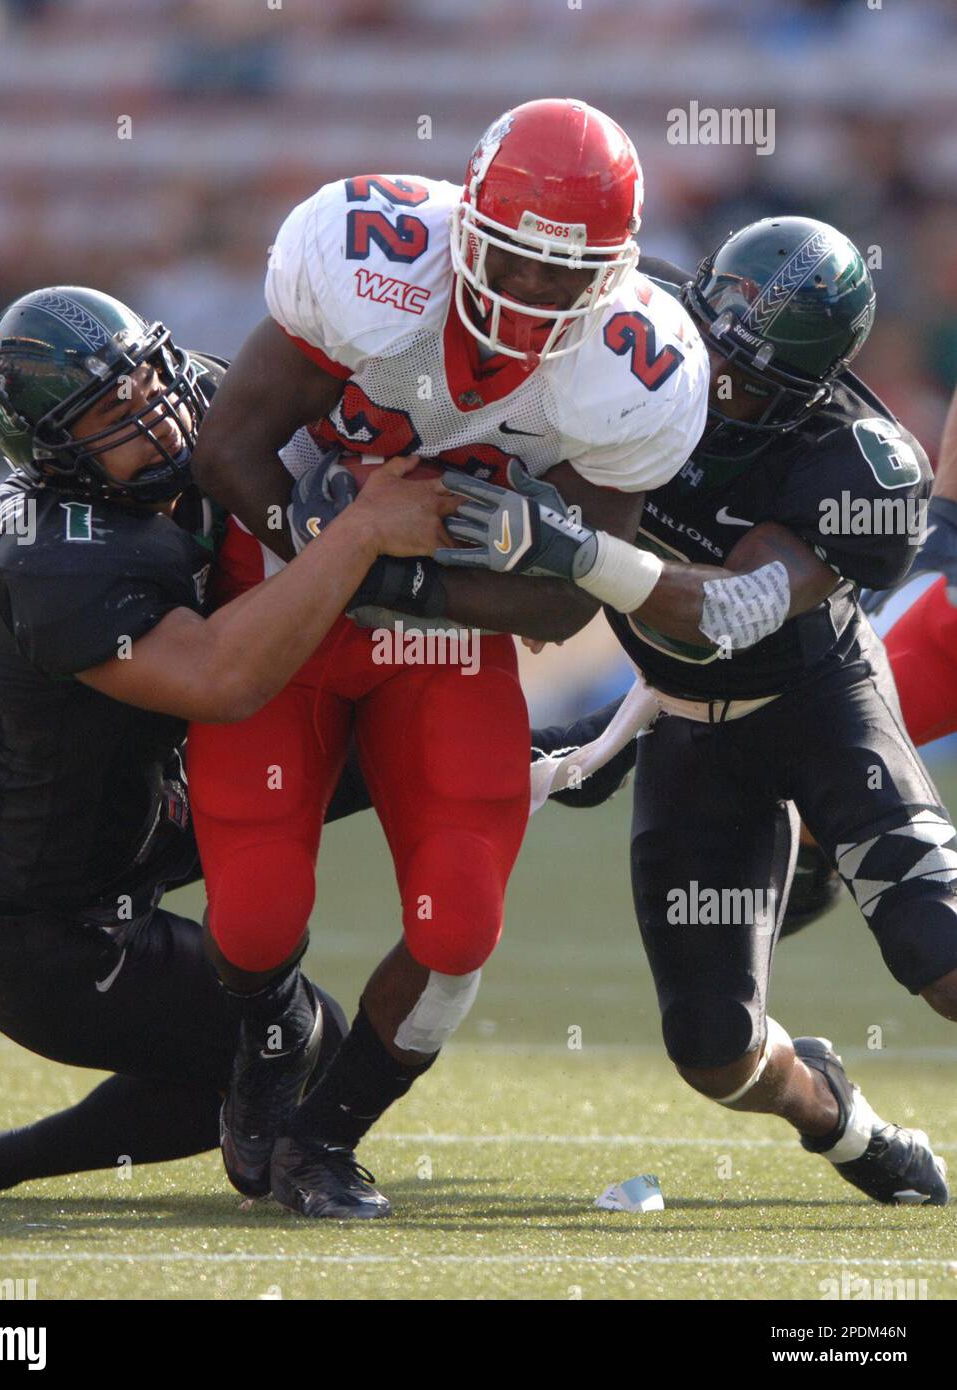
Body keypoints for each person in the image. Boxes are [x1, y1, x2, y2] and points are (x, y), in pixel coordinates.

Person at [187, 97, 710, 1218]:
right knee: (253, 918)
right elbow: (229, 447)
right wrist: (331, 554)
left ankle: (323, 1140)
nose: (532, 298)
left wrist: (391, 574)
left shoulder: (637, 367)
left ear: (616, 273)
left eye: (567, 278)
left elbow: (555, 603)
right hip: (283, 597)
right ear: (467, 224)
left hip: (443, 630)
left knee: (460, 919)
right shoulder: (369, 259)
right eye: (515, 263)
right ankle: (271, 1038)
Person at [0, 285, 457, 1201]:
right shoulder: (53, 552)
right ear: (57, 455)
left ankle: (556, 749)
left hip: (144, 809)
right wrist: (358, 532)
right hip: (42, 916)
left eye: (150, 380)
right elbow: (223, 681)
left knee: (350, 781)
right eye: (112, 414)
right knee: (289, 1042)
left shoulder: (187, 402)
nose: (157, 413)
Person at [441, 218, 950, 1205]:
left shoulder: (862, 467)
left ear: (815, 389)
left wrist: (573, 550)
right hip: (686, 719)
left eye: (754, 384)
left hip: (816, 702)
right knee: (713, 1046)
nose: (718, 388)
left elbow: (728, 613)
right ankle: (847, 1124)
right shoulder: (637, 335)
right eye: (716, 354)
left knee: (941, 950)